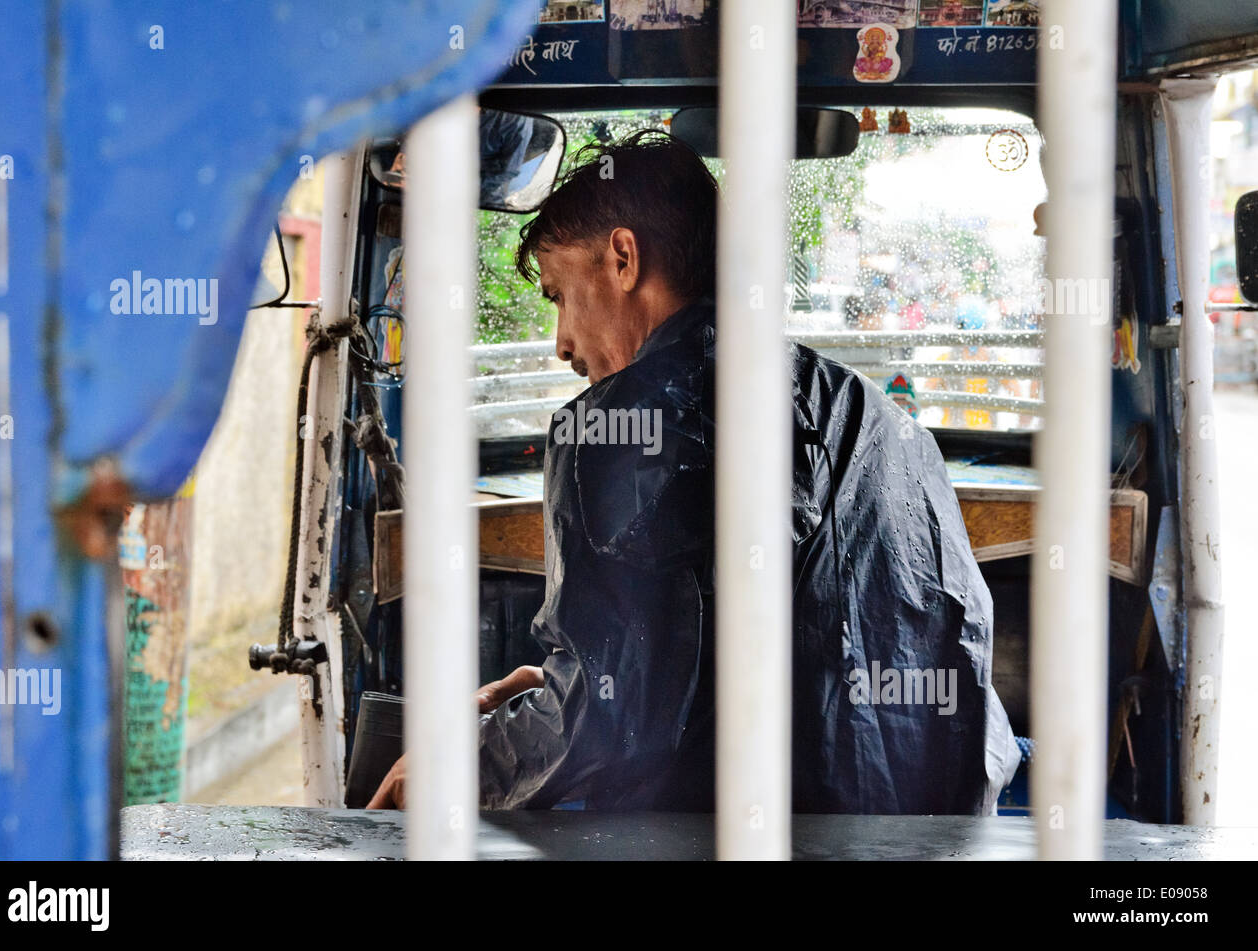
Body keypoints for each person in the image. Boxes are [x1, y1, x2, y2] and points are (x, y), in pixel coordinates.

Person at [367, 130, 1019, 814]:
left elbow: (605, 723)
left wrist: (459, 762)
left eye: (560, 294)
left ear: (623, 259)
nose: (561, 342)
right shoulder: (887, 422)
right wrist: (570, 681)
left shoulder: (606, 430)